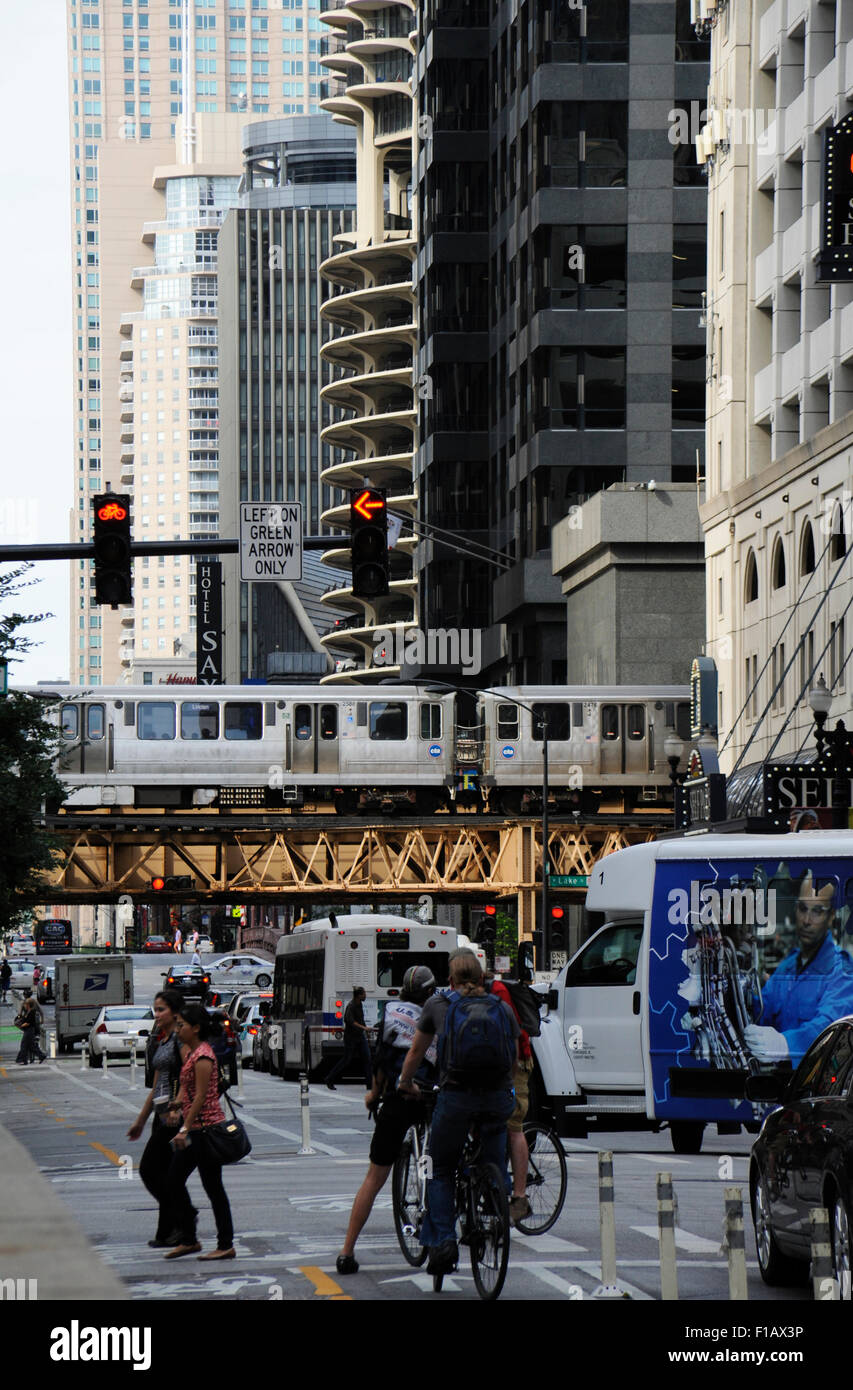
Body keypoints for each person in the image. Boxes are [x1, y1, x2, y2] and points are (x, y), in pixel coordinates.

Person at [398, 950, 519, 1275]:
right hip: (495, 1098)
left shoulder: (437, 1005)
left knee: (441, 1168)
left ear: (449, 980)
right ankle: (492, 1211)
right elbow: (513, 1058)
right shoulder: (502, 1008)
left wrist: (405, 1082)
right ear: (482, 978)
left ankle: (443, 1243)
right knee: (492, 1162)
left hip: (456, 1099)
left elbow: (416, 1051)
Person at [335, 966, 438, 1275]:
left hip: (397, 1100)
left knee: (374, 1177)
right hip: (430, 1099)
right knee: (440, 1171)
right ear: (430, 991)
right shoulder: (438, 1013)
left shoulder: (391, 1015)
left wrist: (374, 1094)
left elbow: (381, 1063)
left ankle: (347, 1251)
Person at [744, 873, 853, 1066]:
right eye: (803, 909)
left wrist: (785, 1044)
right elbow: (762, 1008)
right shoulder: (788, 966)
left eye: (817, 911)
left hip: (815, 1083)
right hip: (777, 1081)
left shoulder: (842, 971)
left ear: (831, 917)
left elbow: (829, 1025)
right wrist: (737, 991)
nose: (807, 920)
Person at [163, 1002, 236, 1260]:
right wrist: (175, 1103)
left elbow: (202, 1097)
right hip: (196, 1130)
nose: (178, 1029)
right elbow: (189, 1091)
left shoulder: (203, 1056)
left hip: (205, 1131)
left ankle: (224, 1244)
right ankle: (191, 1239)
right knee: (175, 1182)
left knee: (211, 1187)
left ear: (195, 1028)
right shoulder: (191, 1053)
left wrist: (183, 1128)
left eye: (182, 1026)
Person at [126, 989, 190, 1248]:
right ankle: (167, 1231)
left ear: (175, 1013)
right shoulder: (162, 1040)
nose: (157, 1013)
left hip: (175, 1118)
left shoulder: (180, 1040)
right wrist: (141, 1121)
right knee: (164, 1173)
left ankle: (184, 1219)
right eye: (156, 1008)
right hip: (160, 1116)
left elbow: (189, 1075)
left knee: (151, 1171)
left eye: (162, 1009)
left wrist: (177, 1108)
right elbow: (155, 1087)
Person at [486, 968, 533, 1228]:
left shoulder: (498, 991)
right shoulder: (464, 995)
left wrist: (510, 1076)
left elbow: (513, 1037)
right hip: (491, 1065)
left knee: (514, 1125)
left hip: (516, 1061)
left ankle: (519, 1197)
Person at [326, 986, 372, 1090]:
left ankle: (370, 1084)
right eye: (364, 994)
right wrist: (364, 1028)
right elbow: (350, 1021)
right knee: (346, 1060)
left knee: (367, 1059)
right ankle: (329, 1078)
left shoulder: (359, 1004)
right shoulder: (351, 1006)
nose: (365, 996)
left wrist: (366, 1033)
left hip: (360, 1036)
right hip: (351, 1037)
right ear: (359, 995)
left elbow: (361, 1019)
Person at [15, 995, 46, 1065]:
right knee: (31, 1046)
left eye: (25, 1004)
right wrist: (19, 1017)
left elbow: (29, 1022)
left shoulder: (32, 1012)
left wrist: (21, 1025)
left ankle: (23, 1060)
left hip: (30, 1030)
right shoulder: (28, 1011)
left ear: (28, 1005)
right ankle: (41, 1056)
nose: (24, 1005)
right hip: (29, 1030)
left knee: (24, 1045)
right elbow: (20, 1015)